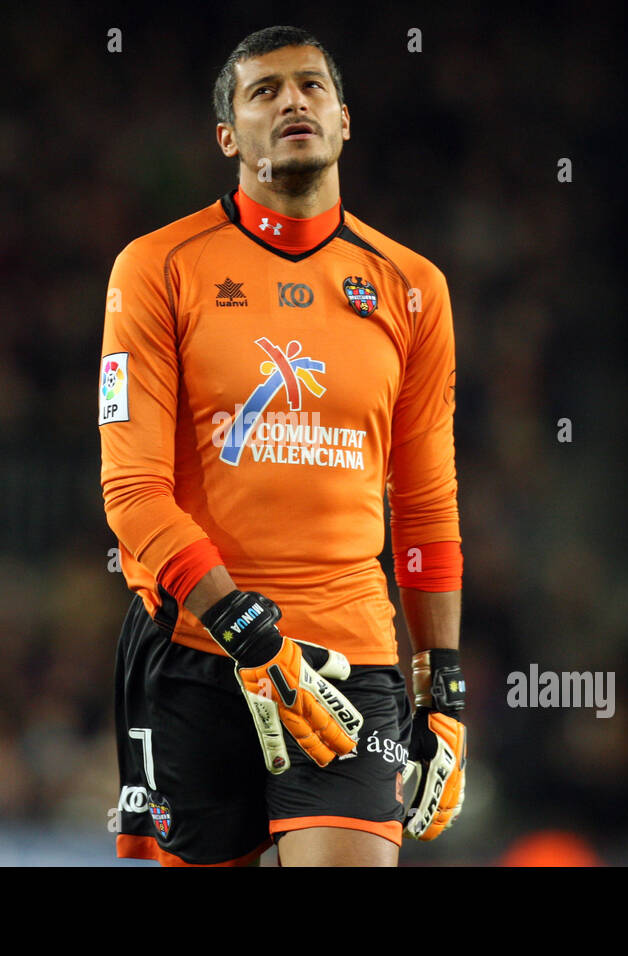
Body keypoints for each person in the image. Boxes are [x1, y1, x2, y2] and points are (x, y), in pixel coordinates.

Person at [99, 25, 465, 867]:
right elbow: (133, 495)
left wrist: (441, 686)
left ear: (344, 121)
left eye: (311, 87)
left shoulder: (413, 289)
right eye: (265, 91)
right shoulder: (157, 268)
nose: (293, 101)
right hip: (195, 651)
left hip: (350, 664)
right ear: (229, 137)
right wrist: (253, 637)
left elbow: (426, 503)